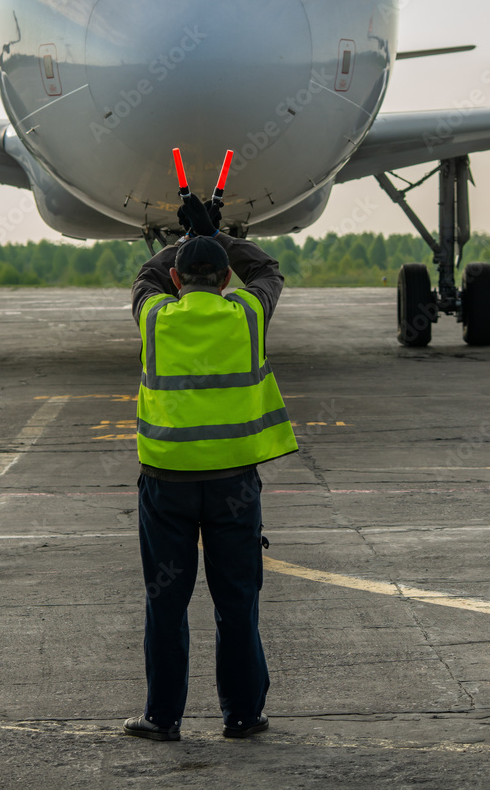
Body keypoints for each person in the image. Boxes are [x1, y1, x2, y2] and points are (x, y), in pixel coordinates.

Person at [123, 194, 298, 742]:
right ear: (225, 279)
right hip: (233, 486)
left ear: (177, 279)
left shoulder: (156, 318)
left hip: (166, 485)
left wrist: (186, 238)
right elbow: (267, 271)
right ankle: (243, 715)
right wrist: (217, 235)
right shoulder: (247, 315)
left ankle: (162, 717)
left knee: (166, 604)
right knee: (237, 603)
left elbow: (145, 277)